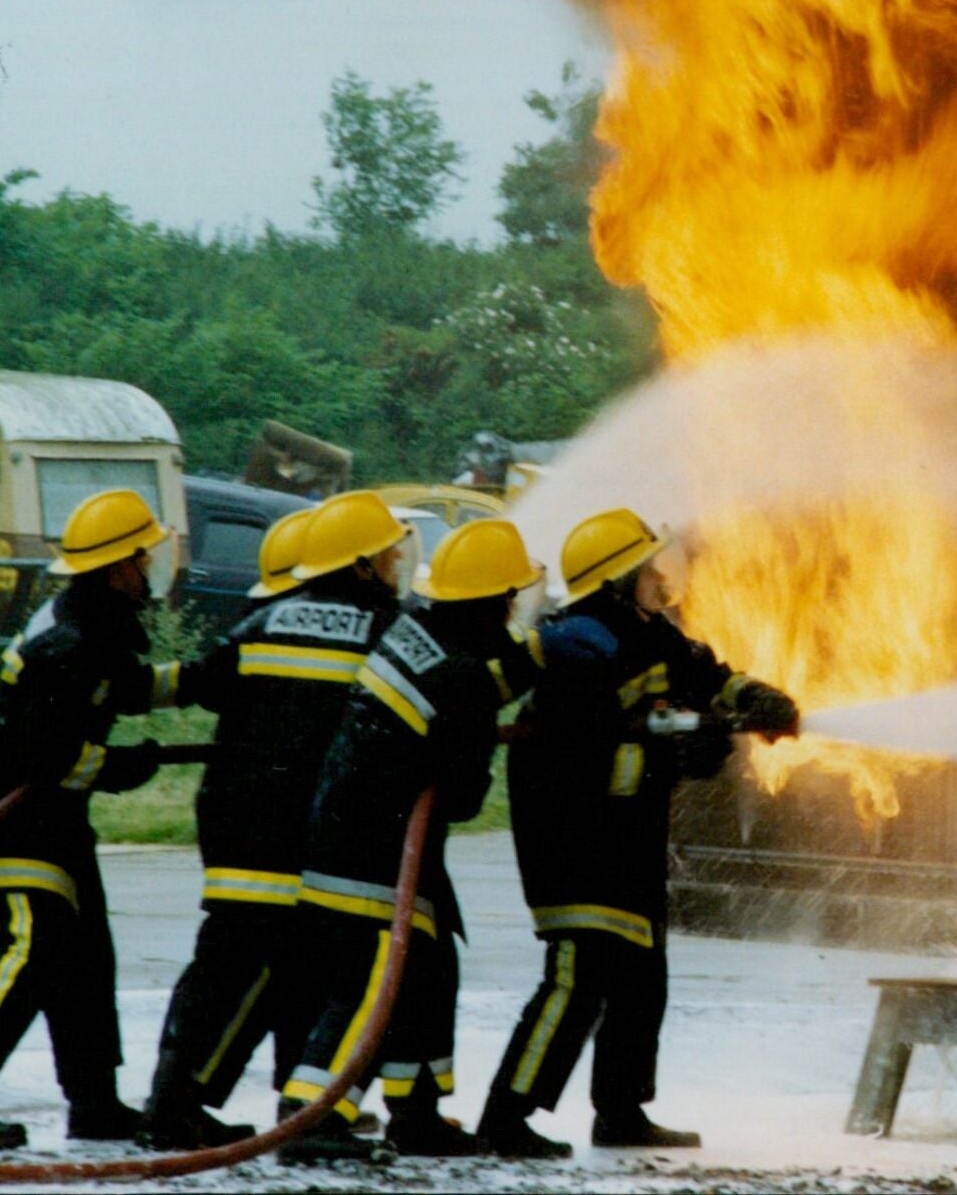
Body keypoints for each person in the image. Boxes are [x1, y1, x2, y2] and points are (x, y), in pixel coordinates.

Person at [478, 508, 799, 1157]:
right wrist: (683, 747)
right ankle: (505, 1118)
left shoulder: (655, 635)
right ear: (618, 577)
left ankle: (620, 1111)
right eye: (649, 565)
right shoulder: (578, 645)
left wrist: (756, 697)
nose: (662, 575)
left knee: (640, 975)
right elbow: (599, 747)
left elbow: (706, 676)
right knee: (578, 976)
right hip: (575, 838)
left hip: (628, 838)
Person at [140, 495, 412, 1150]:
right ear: (361, 566)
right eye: (386, 554)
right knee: (309, 972)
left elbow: (205, 683)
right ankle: (295, 1103)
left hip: (238, 829)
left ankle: (177, 1102)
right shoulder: (384, 632)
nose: (395, 565)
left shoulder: (262, 623)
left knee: (228, 971)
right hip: (314, 840)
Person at [0, 489, 185, 1151]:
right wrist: (123, 767)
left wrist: (212, 678)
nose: (151, 565)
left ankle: (94, 1103)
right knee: (30, 954)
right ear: (117, 566)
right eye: (142, 555)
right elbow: (51, 758)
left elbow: (125, 687)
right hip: (9, 827)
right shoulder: (67, 641)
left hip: (53, 825)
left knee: (86, 960)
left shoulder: (89, 623)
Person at [277, 518, 545, 1165]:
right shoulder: (456, 681)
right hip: (370, 859)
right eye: (509, 599)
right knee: (375, 986)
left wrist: (530, 661)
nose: (514, 611)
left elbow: (477, 679)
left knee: (429, 972)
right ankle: (310, 1115)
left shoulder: (420, 636)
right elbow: (465, 795)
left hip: (366, 842)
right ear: (488, 604)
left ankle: (416, 1115)